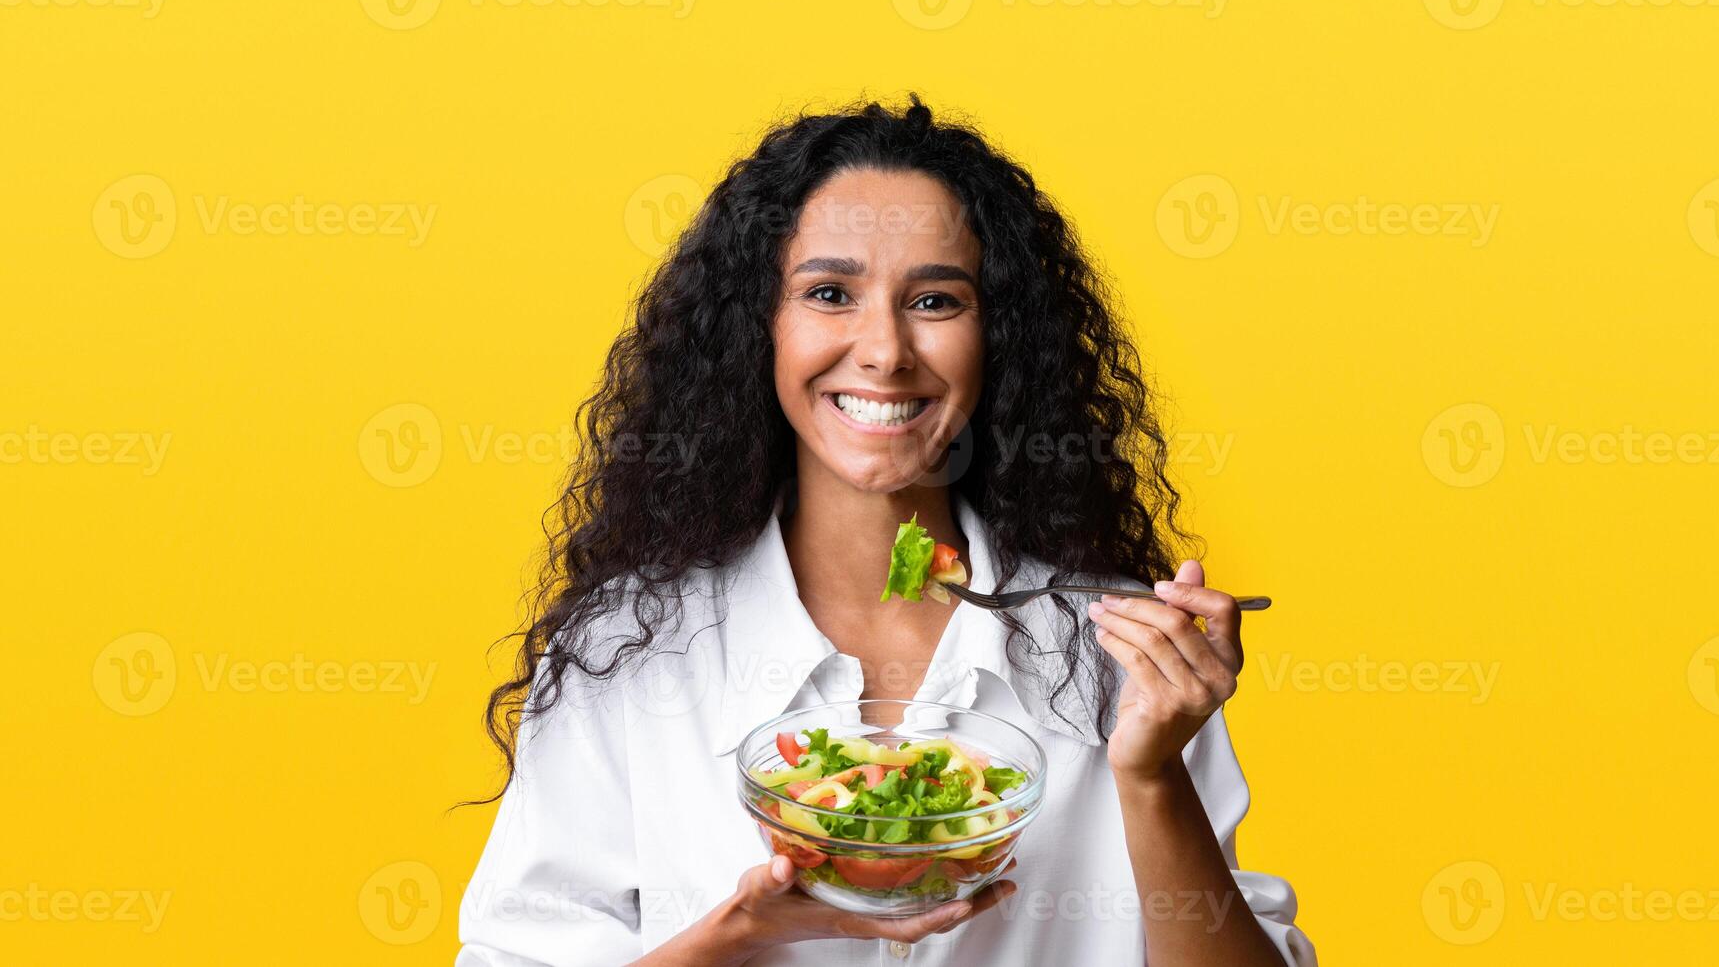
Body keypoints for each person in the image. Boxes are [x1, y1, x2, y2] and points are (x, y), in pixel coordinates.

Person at [458, 96, 1314, 966]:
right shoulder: (631, 648)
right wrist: (741, 932)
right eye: (829, 293)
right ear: (759, 327)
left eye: (935, 301)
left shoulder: (1122, 657)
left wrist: (1153, 774)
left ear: (998, 338)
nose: (884, 350)